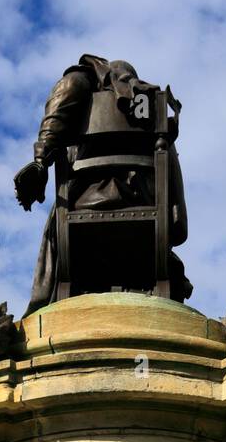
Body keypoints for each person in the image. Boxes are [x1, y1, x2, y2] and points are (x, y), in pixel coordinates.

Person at [14, 54, 191, 314]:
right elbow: (178, 221)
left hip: (83, 207)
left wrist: (41, 161)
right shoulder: (153, 110)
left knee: (57, 219)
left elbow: (61, 108)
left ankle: (54, 304)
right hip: (144, 207)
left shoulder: (78, 88)